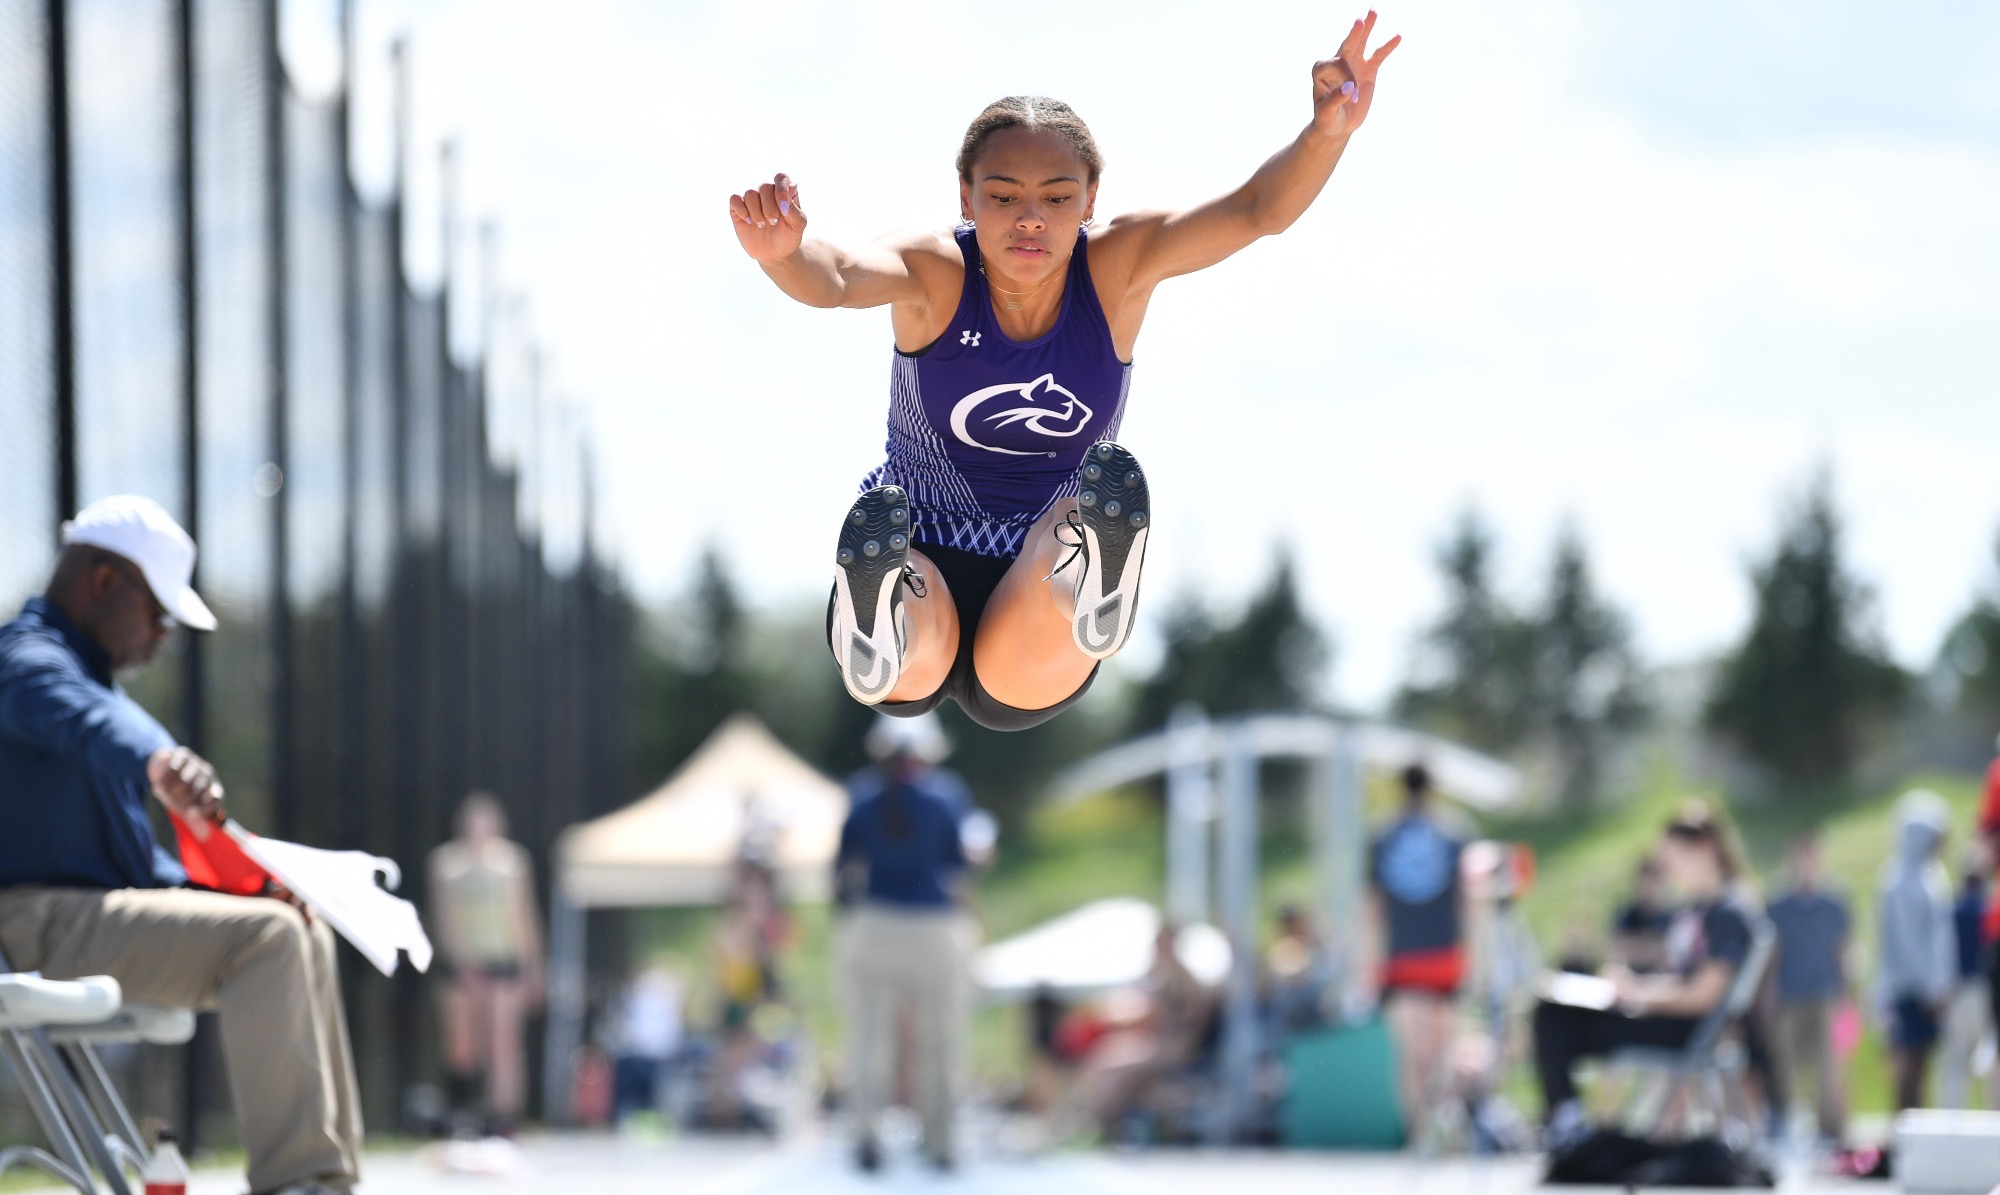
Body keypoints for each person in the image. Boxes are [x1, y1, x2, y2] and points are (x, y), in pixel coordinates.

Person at [727, 15, 1400, 730]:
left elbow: (1255, 211)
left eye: (1055, 197)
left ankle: (1088, 580)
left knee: (1068, 527)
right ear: (965, 196)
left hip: (1033, 583)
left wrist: (1328, 130)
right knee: (918, 606)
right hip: (918, 538)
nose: (1030, 219)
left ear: (1091, 198)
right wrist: (783, 254)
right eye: (1004, 195)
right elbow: (835, 277)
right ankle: (883, 620)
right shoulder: (934, 270)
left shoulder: (1118, 265)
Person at [0, 496, 360, 1195]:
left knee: (302, 927)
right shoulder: (24, 662)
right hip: (28, 924)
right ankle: (300, 1183)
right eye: (159, 612)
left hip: (84, 917)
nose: (162, 634)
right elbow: (86, 720)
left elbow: (132, 865)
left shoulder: (81, 677)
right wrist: (162, 758)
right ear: (103, 582)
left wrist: (249, 884)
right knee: (268, 939)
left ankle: (329, 1181)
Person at [1532, 801, 1759, 1148]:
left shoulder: (1728, 909)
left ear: (1705, 848)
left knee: (1554, 1017)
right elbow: (1679, 978)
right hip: (1666, 1015)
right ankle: (1567, 1119)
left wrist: (1640, 996)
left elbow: (1704, 994)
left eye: (1674, 859)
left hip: (1686, 1028)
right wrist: (1632, 985)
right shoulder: (1697, 908)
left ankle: (1568, 1125)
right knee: (1553, 1004)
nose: (1670, 871)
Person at [834, 714, 975, 1172]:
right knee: (940, 1041)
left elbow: (840, 867)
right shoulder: (947, 795)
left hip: (873, 924)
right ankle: (941, 1142)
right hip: (933, 928)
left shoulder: (861, 793)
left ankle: (867, 1136)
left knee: (869, 1039)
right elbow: (959, 864)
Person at [427, 792, 544, 1137]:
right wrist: (458, 962)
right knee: (463, 1044)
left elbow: (524, 917)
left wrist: (534, 967)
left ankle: (505, 1117)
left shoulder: (513, 863)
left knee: (503, 1041)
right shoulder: (446, 864)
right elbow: (443, 917)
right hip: (463, 964)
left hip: (503, 961)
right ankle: (465, 1112)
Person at [1369, 762, 1468, 1149]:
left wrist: (1368, 963)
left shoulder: (1383, 835)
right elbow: (1466, 901)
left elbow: (1371, 907)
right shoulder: (1453, 832)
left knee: (1411, 1056)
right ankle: (1448, 1130)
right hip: (1445, 955)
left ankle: (1420, 1137)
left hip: (1403, 958)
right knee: (1443, 1053)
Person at [1767, 831, 1850, 1146]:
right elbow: (1774, 952)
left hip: (1825, 991)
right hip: (1789, 991)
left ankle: (1828, 1128)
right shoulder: (1779, 903)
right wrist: (1769, 993)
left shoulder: (1834, 902)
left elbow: (1841, 950)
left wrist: (1847, 995)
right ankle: (1787, 1117)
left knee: (1829, 1062)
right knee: (1785, 1059)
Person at [1878, 789, 1957, 1113]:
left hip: (1924, 988)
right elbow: (1910, 941)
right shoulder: (1901, 882)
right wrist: (1932, 984)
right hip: (1910, 989)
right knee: (1907, 1063)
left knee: (1923, 1063)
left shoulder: (1931, 876)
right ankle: (1905, 1130)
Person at [1940, 842, 1990, 1110]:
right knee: (1987, 1056)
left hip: (1958, 989)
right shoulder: (1987, 911)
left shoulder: (1953, 911)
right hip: (1984, 990)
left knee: (1957, 1059)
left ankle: (1954, 1114)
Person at [1609, 857, 1674, 974]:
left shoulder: (1670, 917)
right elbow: (1619, 950)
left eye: (1653, 883)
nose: (1648, 890)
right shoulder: (1627, 916)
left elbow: (1670, 953)